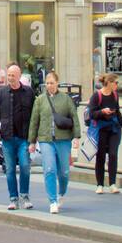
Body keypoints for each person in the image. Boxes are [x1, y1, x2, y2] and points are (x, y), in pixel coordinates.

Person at [28, 71, 80, 214]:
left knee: (64, 172)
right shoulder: (40, 100)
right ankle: (52, 201)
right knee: (49, 169)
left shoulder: (66, 99)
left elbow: (74, 117)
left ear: (57, 83)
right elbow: (34, 121)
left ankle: (61, 193)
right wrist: (32, 141)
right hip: (46, 140)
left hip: (63, 139)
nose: (49, 86)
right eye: (47, 83)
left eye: (52, 83)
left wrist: (76, 137)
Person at [0, 63, 35, 210]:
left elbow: (35, 115)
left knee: (24, 166)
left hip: (24, 137)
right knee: (9, 169)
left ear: (19, 76)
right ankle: (13, 198)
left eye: (13, 76)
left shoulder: (28, 92)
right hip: (7, 137)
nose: (10, 78)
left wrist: (34, 137)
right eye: (9, 75)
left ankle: (24, 195)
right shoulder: (2, 93)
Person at [88, 73, 122, 194]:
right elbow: (92, 114)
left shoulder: (115, 95)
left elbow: (118, 112)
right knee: (100, 156)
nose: (117, 85)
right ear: (109, 83)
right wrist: (102, 112)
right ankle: (100, 184)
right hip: (101, 129)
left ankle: (112, 183)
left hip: (114, 129)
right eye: (116, 83)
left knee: (113, 154)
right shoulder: (97, 96)